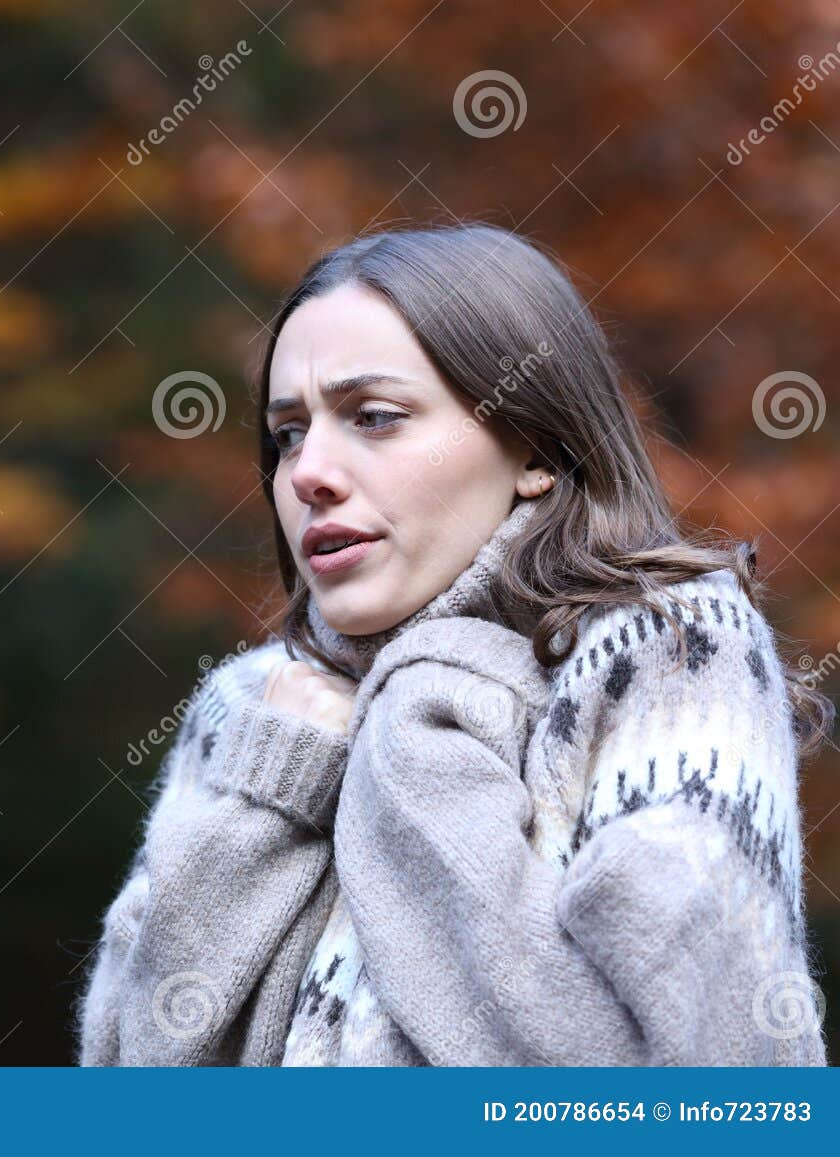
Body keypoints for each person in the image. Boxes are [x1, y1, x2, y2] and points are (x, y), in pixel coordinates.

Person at [73, 222, 834, 1066]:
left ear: (537, 445)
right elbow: (124, 1084)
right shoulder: (254, 711)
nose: (307, 472)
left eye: (374, 417)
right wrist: (270, 792)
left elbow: (705, 1088)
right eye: (288, 433)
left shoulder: (673, 647)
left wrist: (423, 728)